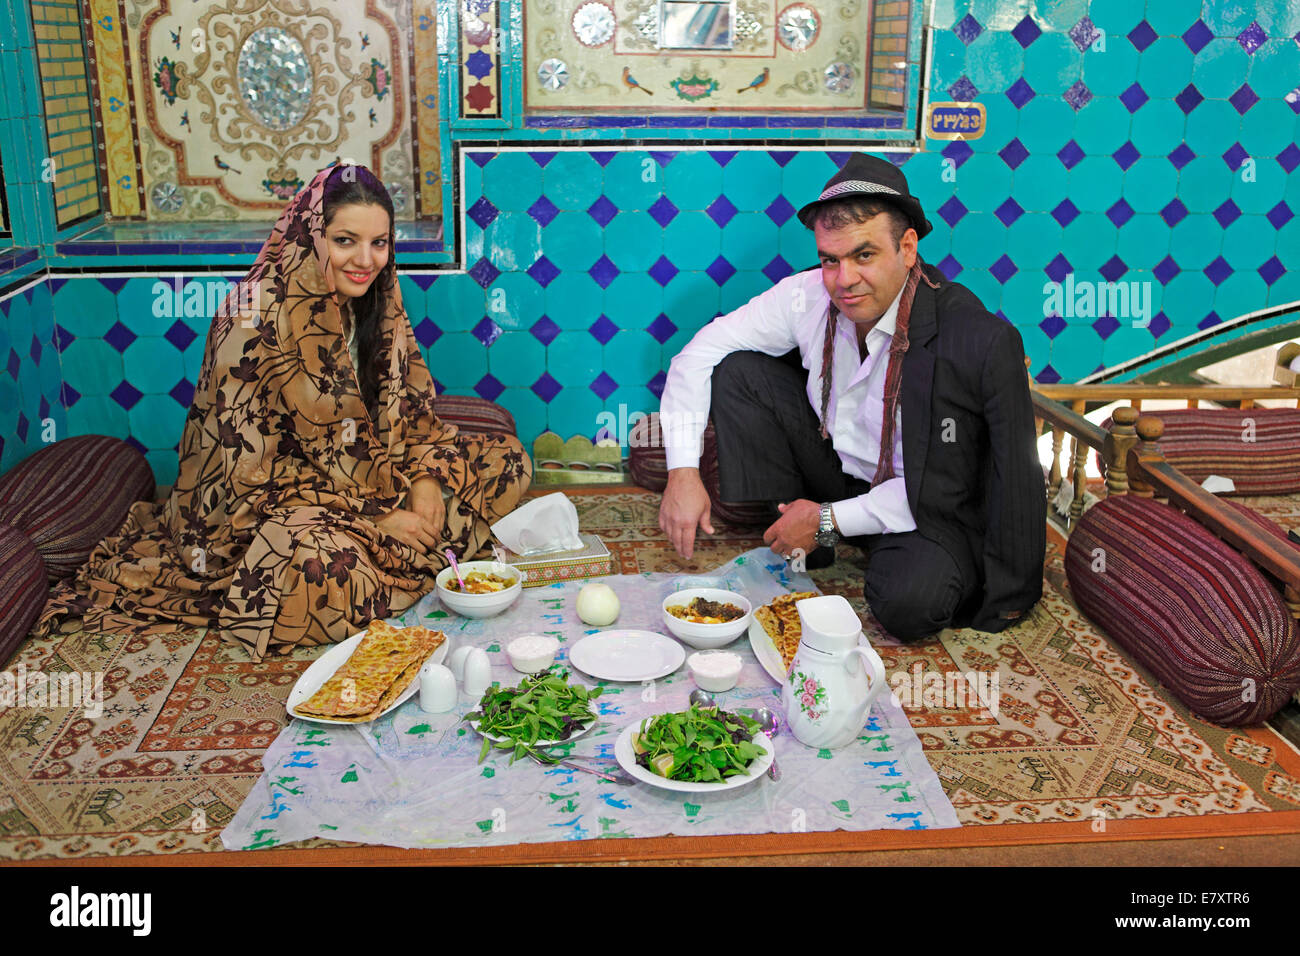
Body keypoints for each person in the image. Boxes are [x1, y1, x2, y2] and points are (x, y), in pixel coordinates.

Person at [36, 164, 531, 659]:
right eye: (345, 240)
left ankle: (400, 546)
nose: (365, 260)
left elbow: (414, 412)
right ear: (310, 236)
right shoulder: (250, 319)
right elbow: (248, 476)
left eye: (379, 243)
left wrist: (424, 483)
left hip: (369, 475)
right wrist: (378, 517)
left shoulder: (377, 300)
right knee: (329, 569)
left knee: (507, 461)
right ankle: (393, 554)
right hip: (267, 509)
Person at [658, 153, 1045, 640]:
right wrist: (683, 473)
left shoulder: (969, 338)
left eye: (864, 255)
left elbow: (945, 487)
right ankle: (804, 539)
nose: (844, 280)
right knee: (739, 369)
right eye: (829, 260)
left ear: (907, 249)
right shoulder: (808, 296)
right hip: (842, 471)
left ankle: (827, 530)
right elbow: (695, 356)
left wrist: (828, 518)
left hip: (925, 503)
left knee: (911, 603)